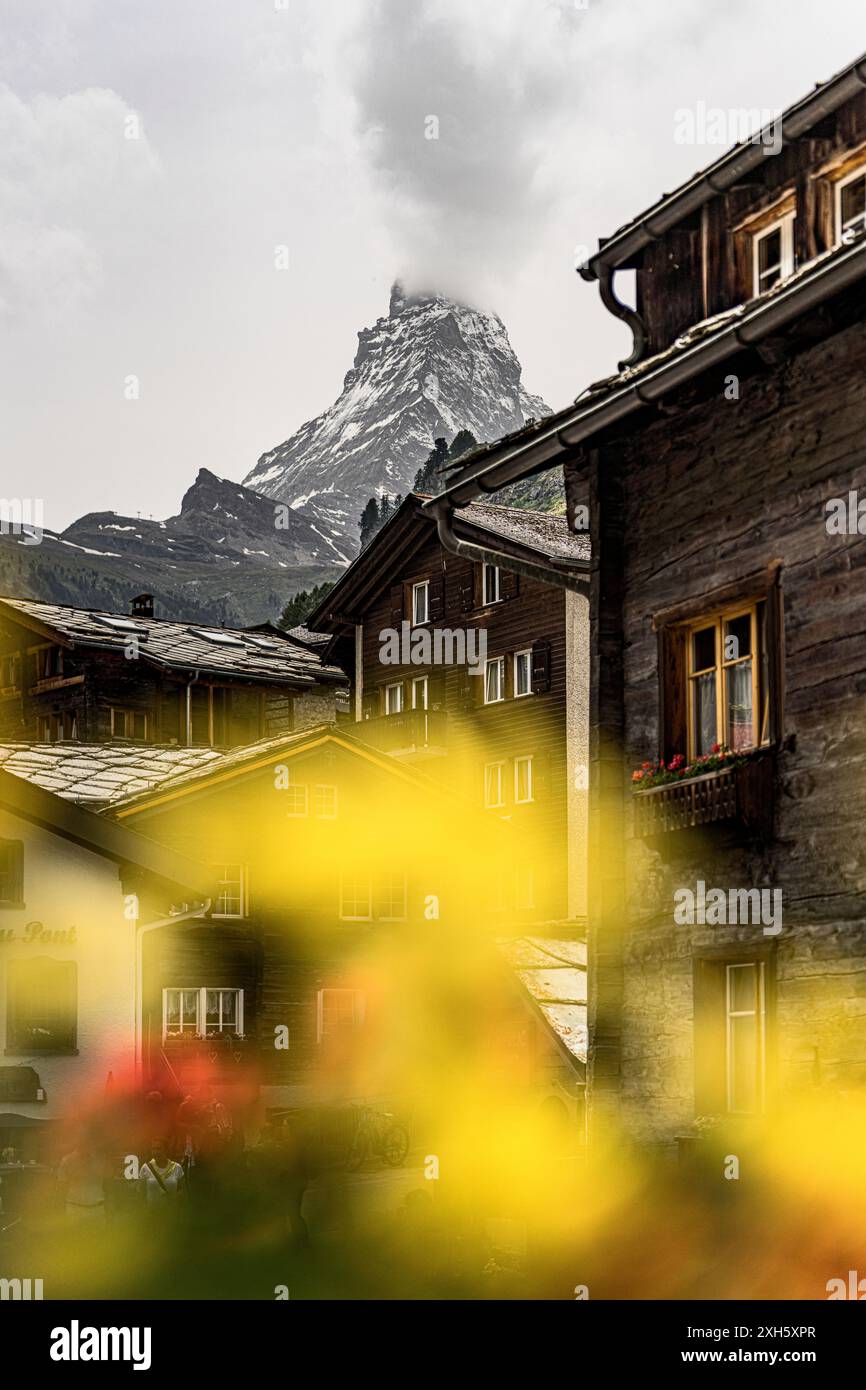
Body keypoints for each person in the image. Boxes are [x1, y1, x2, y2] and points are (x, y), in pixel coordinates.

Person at [57, 1132, 107, 1225]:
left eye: (89, 1141)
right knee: (74, 1238)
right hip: (75, 1209)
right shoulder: (67, 1160)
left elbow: (109, 1177)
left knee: (99, 1238)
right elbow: (61, 1184)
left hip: (97, 1209)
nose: (86, 1143)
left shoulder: (100, 1159)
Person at [139, 1138, 186, 1218]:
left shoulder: (177, 1167)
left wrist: (175, 1196)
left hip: (171, 1213)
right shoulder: (146, 1168)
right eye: (153, 1149)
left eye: (159, 1148)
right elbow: (141, 1192)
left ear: (166, 1150)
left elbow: (183, 1190)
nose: (156, 1152)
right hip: (151, 1214)